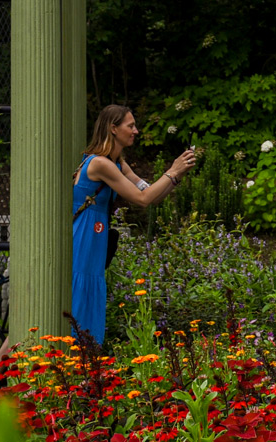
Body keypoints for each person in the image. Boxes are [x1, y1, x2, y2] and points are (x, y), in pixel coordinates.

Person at [71, 104, 195, 344]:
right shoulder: (100, 164)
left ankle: (83, 362)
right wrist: (172, 170)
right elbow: (142, 198)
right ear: (113, 128)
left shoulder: (117, 163)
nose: (136, 131)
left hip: (93, 238)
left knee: (88, 296)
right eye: (131, 126)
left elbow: (148, 194)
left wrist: (177, 175)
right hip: (84, 238)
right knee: (79, 298)